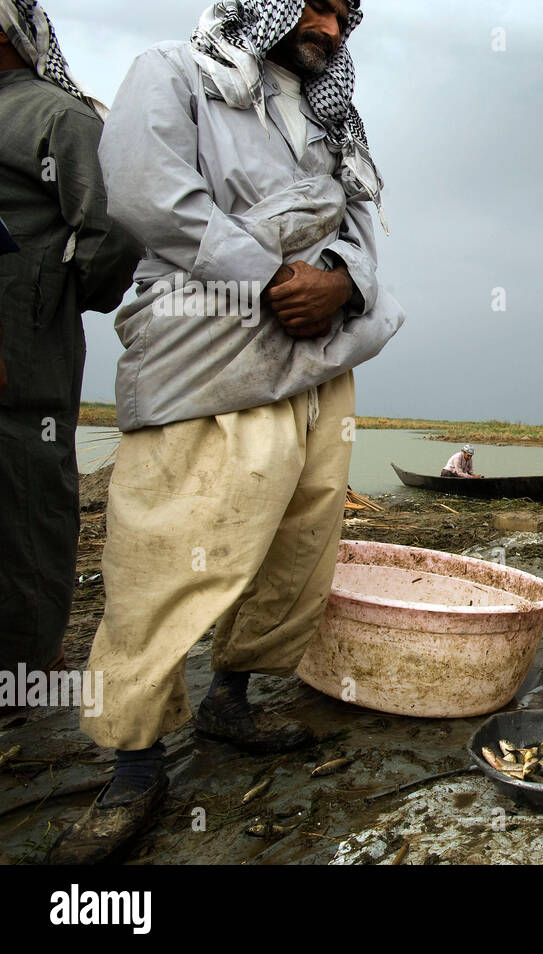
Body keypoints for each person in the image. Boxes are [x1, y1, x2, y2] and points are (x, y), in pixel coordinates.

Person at [50, 0, 405, 864]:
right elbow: (149, 195)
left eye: (349, 15)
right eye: (319, 5)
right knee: (170, 553)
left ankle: (231, 697)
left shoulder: (330, 120)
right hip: (207, 360)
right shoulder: (174, 73)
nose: (334, 27)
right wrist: (272, 272)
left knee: (298, 541)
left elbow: (358, 230)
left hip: (317, 364)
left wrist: (341, 285)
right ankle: (133, 762)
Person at [0, 0, 140, 687]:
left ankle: (26, 667)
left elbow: (113, 232)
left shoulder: (55, 115)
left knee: (25, 499)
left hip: (20, 361)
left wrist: (43, 300)